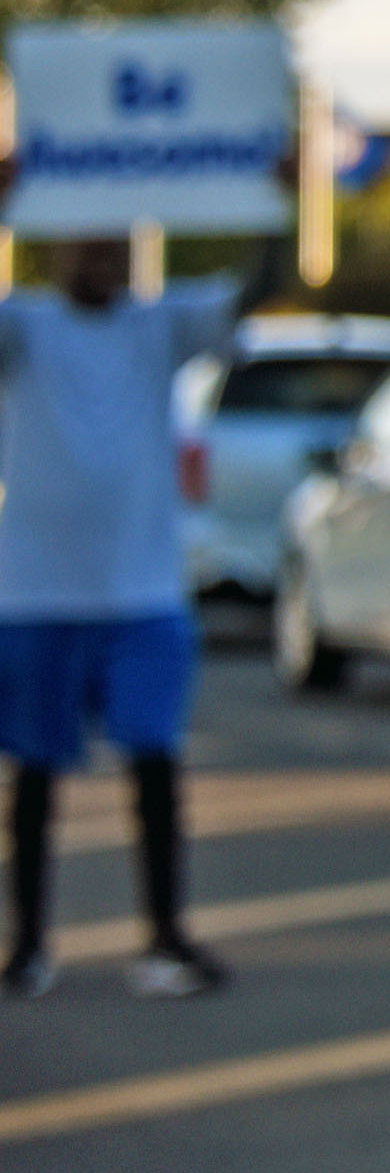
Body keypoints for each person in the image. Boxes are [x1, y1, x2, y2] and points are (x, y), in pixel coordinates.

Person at [0, 186, 279, 1002]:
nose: (100, 258)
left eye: (113, 243)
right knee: (35, 779)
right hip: (37, 596)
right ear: (55, 251)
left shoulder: (162, 326)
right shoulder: (25, 329)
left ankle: (164, 936)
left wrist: (275, 195)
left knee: (154, 766)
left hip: (145, 593)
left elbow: (264, 285)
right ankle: (29, 945)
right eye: (84, 243)